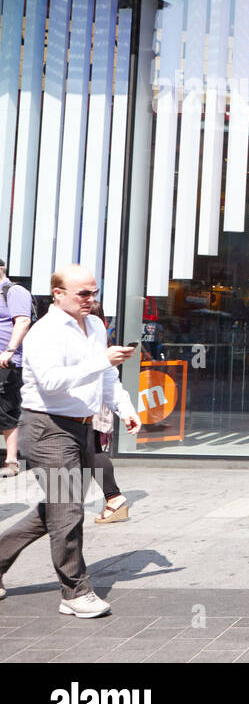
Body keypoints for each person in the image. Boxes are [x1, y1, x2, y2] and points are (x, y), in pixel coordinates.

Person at [0, 264, 140, 618]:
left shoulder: (93, 324)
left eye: (94, 292)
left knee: (57, 508)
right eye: (83, 293)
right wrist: (100, 360)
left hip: (80, 427)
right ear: (58, 294)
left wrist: (124, 408)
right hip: (47, 429)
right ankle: (75, 591)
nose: (91, 300)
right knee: (69, 511)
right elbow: (50, 382)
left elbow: (106, 376)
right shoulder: (43, 333)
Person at [87, 302, 129, 524]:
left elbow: (110, 380)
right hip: (95, 405)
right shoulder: (102, 340)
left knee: (92, 451)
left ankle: (114, 498)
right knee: (90, 451)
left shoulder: (94, 342)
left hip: (91, 406)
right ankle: (113, 498)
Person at [0, 259, 33, 477]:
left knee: (6, 409)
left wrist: (9, 351)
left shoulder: (14, 291)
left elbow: (22, 321)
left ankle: (12, 460)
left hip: (7, 362)